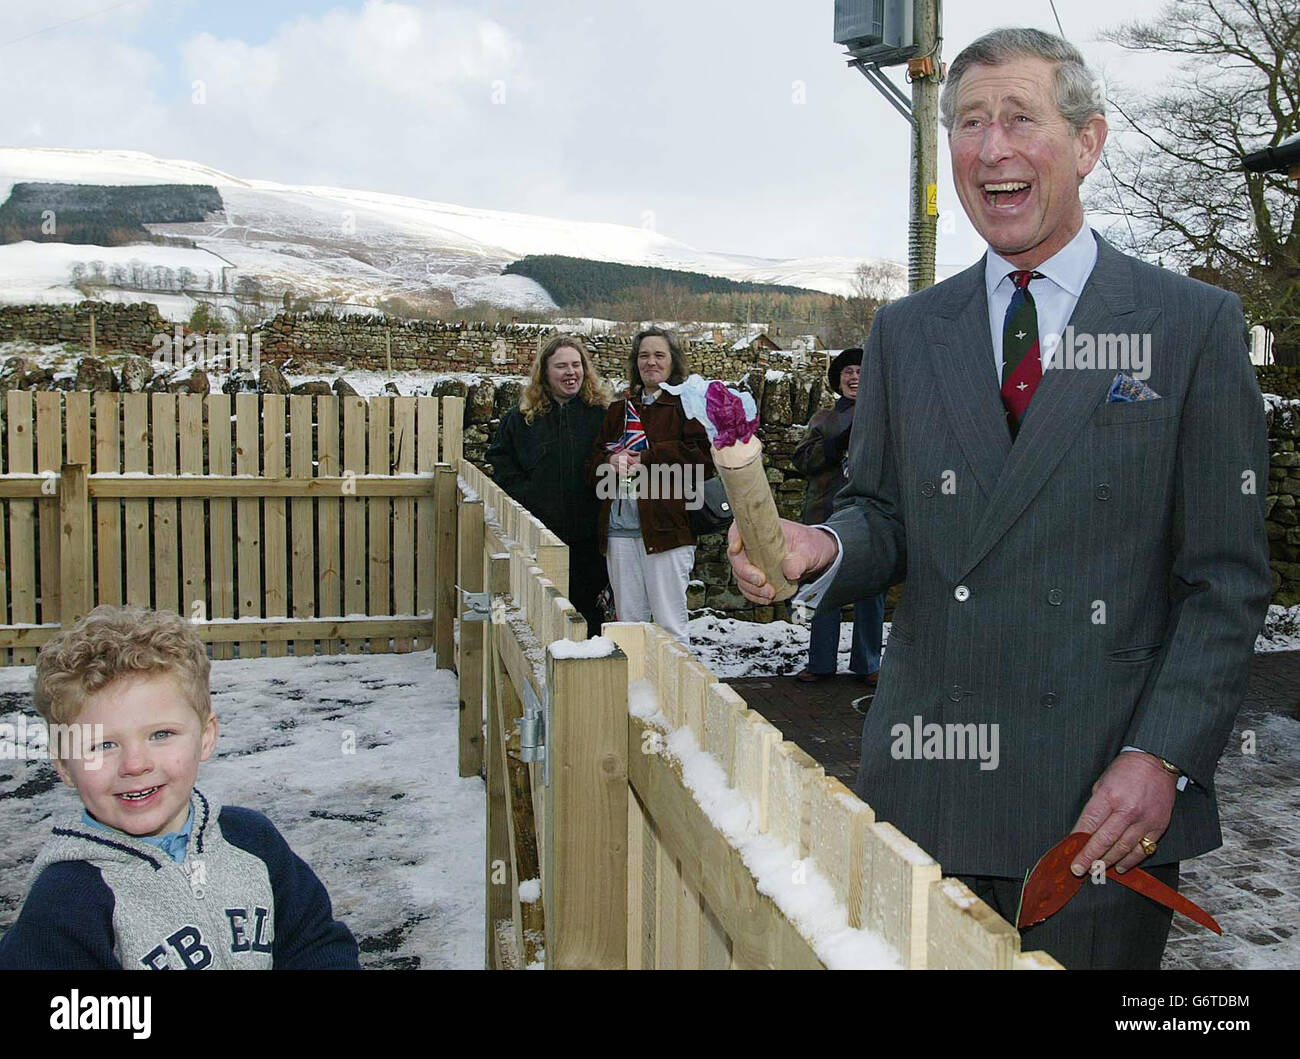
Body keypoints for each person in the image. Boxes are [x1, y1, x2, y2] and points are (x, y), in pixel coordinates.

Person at [727, 28, 1270, 969]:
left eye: (1021, 118)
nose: (991, 149)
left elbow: (1223, 581)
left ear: (1089, 142)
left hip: (1098, 800)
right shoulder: (906, 332)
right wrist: (824, 545)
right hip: (930, 787)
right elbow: (884, 514)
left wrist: (1164, 758)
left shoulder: (1190, 324)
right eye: (969, 124)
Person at [0, 606, 360, 970]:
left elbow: (316, 944)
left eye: (161, 735)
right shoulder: (65, 901)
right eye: (103, 745)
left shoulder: (252, 841)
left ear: (205, 737)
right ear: (63, 764)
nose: (136, 764)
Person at [586, 326, 712, 647]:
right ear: (635, 362)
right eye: (644, 355)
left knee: (670, 627)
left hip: (666, 531)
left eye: (659, 355)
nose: (651, 362)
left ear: (673, 362)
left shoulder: (687, 406)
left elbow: (704, 460)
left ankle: (677, 697)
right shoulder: (618, 410)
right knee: (629, 627)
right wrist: (609, 462)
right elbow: (592, 464)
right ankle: (635, 695)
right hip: (619, 531)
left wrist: (649, 457)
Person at [486, 333, 610, 636]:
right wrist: (529, 496)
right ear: (544, 373)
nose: (571, 372)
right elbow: (501, 464)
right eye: (561, 366)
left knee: (588, 623)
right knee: (541, 620)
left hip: (590, 543)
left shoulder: (603, 416)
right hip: (539, 540)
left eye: (576, 364)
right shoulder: (522, 419)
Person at [791, 347, 884, 685]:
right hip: (825, 514)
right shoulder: (822, 419)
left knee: (871, 593)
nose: (854, 376)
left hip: (871, 515)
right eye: (847, 371)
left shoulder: (885, 416)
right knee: (822, 589)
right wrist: (834, 445)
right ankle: (820, 662)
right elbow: (801, 461)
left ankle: (868, 663)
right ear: (838, 380)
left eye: (860, 369)